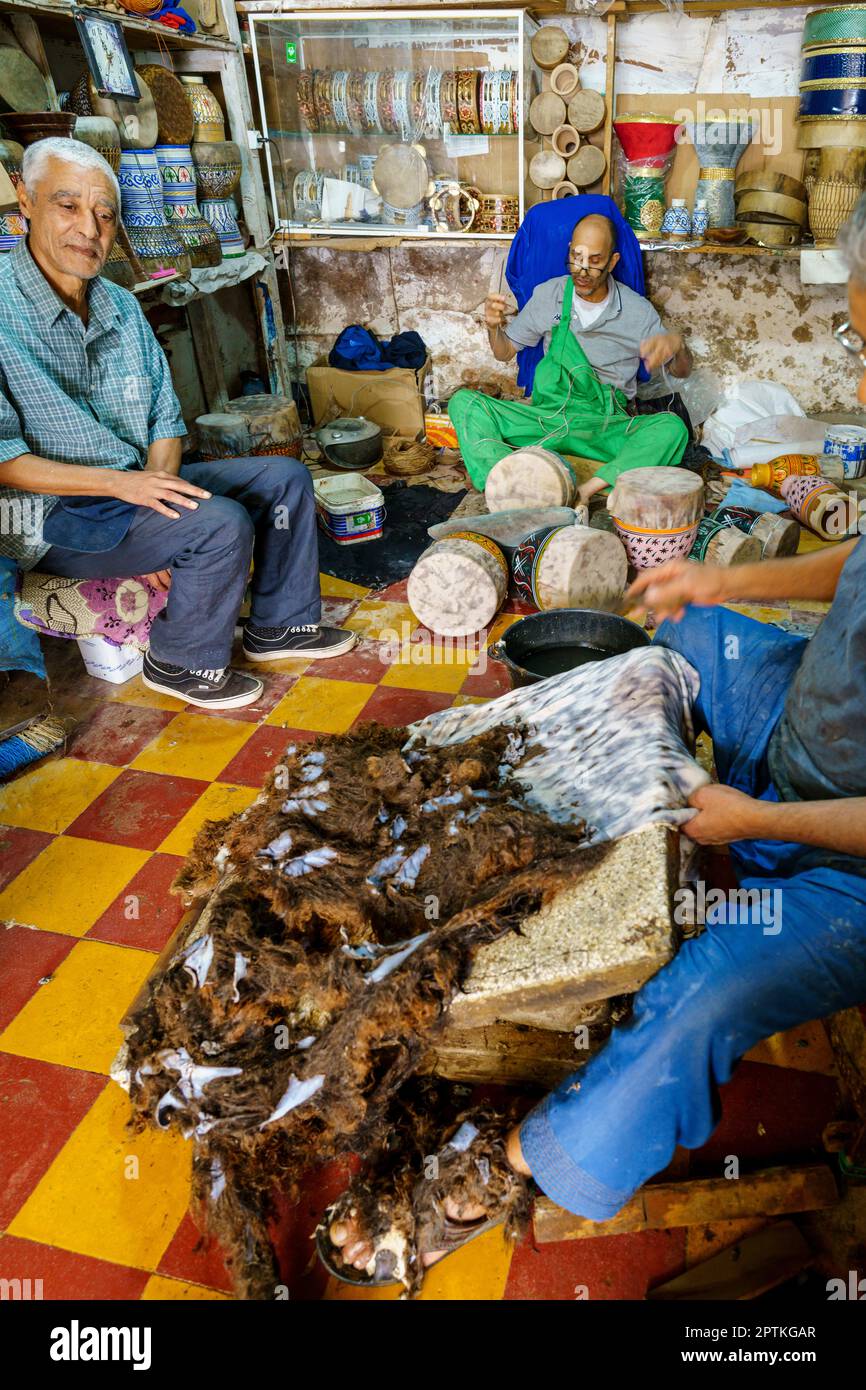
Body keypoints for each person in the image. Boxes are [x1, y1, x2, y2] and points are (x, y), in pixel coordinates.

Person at [326, 200, 866, 1280]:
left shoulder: (633, 307)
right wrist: (726, 577)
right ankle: (523, 796)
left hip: (839, 855)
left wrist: (753, 820)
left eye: (862, 331)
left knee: (702, 993)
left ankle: (506, 1162)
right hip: (805, 712)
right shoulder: (545, 310)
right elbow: (850, 568)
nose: (855, 353)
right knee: (679, 628)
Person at [0, 137, 355, 711]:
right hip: (53, 516)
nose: (88, 229)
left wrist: (157, 499)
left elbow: (165, 423)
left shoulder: (117, 303)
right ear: (25, 200)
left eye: (104, 214)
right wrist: (134, 491)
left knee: (285, 478)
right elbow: (3, 460)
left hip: (130, 491)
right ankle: (180, 660)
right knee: (219, 523)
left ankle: (279, 624)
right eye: (68, 207)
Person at [448, 213, 692, 502]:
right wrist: (492, 327)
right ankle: (507, 480)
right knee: (464, 403)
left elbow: (682, 371)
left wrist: (676, 345)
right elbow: (504, 351)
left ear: (613, 262)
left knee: (672, 428)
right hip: (546, 422)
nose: (583, 269)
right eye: (576, 257)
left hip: (603, 428)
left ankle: (587, 489)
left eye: (595, 260)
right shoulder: (549, 295)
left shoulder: (637, 311)